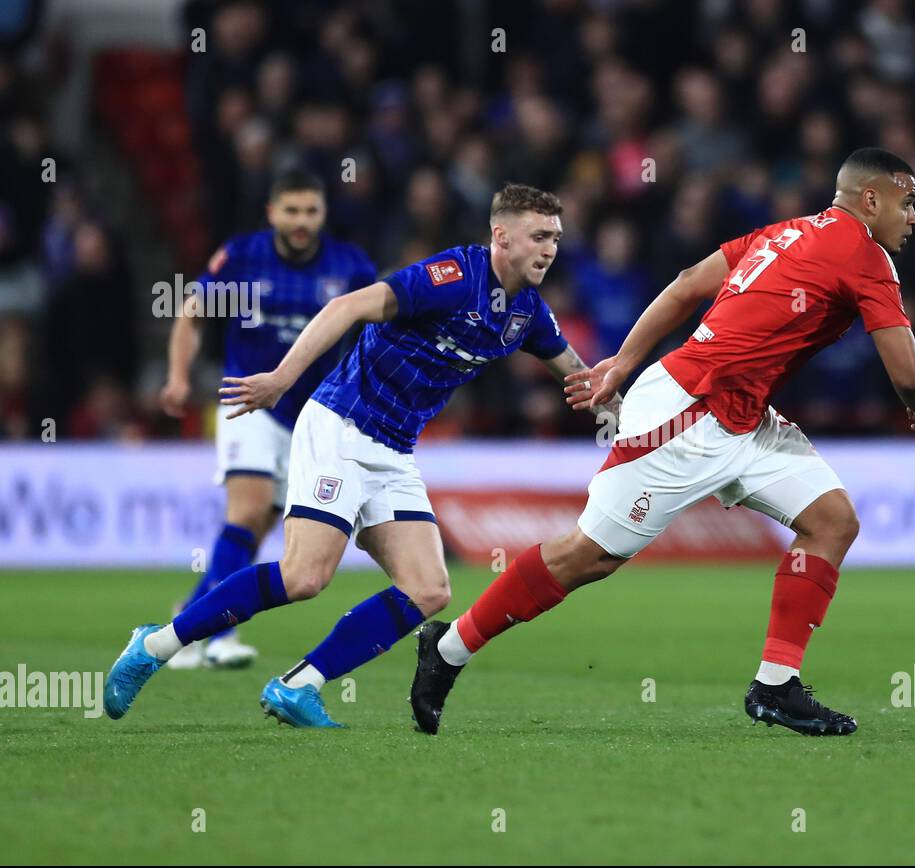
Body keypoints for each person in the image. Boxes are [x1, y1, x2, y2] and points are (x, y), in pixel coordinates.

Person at [410, 148, 915, 737]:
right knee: (588, 556)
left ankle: (775, 685)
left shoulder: (784, 233)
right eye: (908, 201)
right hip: (689, 413)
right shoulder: (864, 254)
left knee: (832, 521)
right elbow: (907, 374)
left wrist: (622, 364)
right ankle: (450, 646)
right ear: (871, 200)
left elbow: (691, 284)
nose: (914, 216)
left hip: (742, 415)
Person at [105, 183, 618, 727]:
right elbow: (347, 306)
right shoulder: (453, 277)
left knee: (428, 588)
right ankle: (155, 645)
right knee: (305, 576)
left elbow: (583, 379)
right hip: (342, 425)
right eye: (539, 236)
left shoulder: (528, 314)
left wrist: (625, 417)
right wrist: (282, 378)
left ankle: (299, 685)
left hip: (394, 449)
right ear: (501, 236)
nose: (549, 249)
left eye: (556, 238)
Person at [160, 168, 376, 668]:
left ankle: (185, 619)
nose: (301, 221)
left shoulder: (350, 267)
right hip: (247, 399)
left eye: (311, 211)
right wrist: (177, 375)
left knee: (256, 529)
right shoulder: (242, 257)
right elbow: (192, 311)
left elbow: (378, 329)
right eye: (292, 210)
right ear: (272, 213)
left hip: (314, 415)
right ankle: (218, 638)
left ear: (323, 214)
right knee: (249, 510)